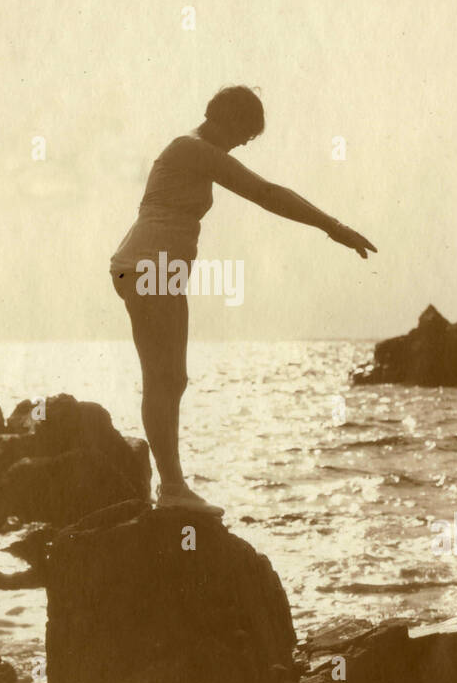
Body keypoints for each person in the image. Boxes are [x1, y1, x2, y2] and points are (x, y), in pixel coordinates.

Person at [110, 86, 377, 515]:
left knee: (170, 379)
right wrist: (333, 227)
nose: (242, 143)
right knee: (166, 379)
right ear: (222, 117)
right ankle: (173, 488)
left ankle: (172, 486)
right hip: (148, 265)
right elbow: (265, 192)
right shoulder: (191, 148)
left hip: (149, 264)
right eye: (244, 133)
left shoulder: (190, 150)